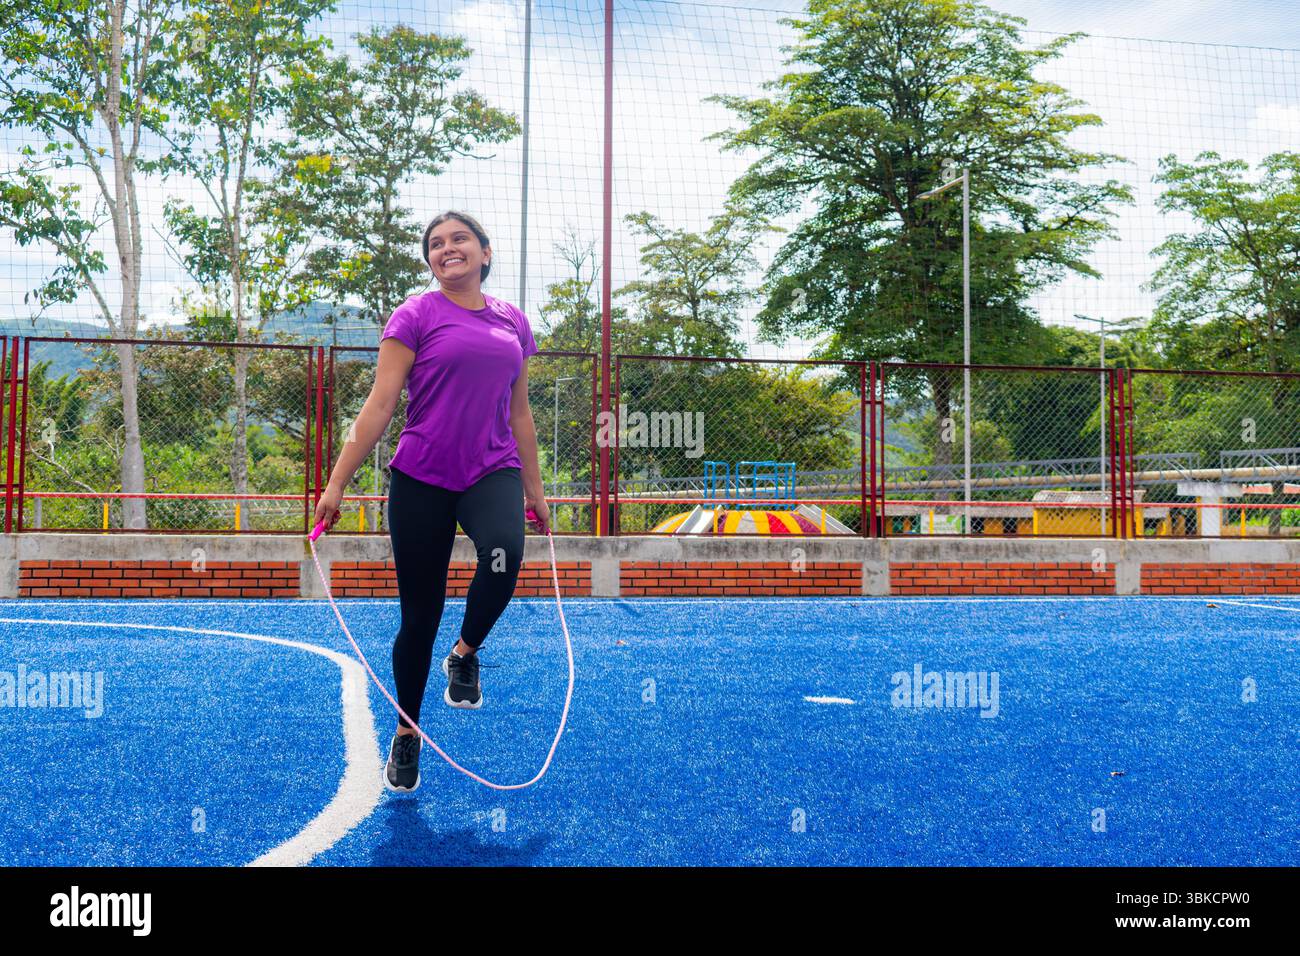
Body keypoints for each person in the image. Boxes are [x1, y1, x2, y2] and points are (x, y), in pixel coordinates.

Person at [312, 211, 551, 794]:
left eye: (460, 239)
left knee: (503, 555)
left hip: (491, 470)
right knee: (420, 614)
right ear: (430, 262)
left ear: (485, 252)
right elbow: (379, 403)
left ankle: (465, 653)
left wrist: (535, 492)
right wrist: (337, 482)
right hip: (421, 477)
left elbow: (519, 413)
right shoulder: (415, 315)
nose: (448, 249)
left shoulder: (512, 323)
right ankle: (407, 731)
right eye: (436, 244)